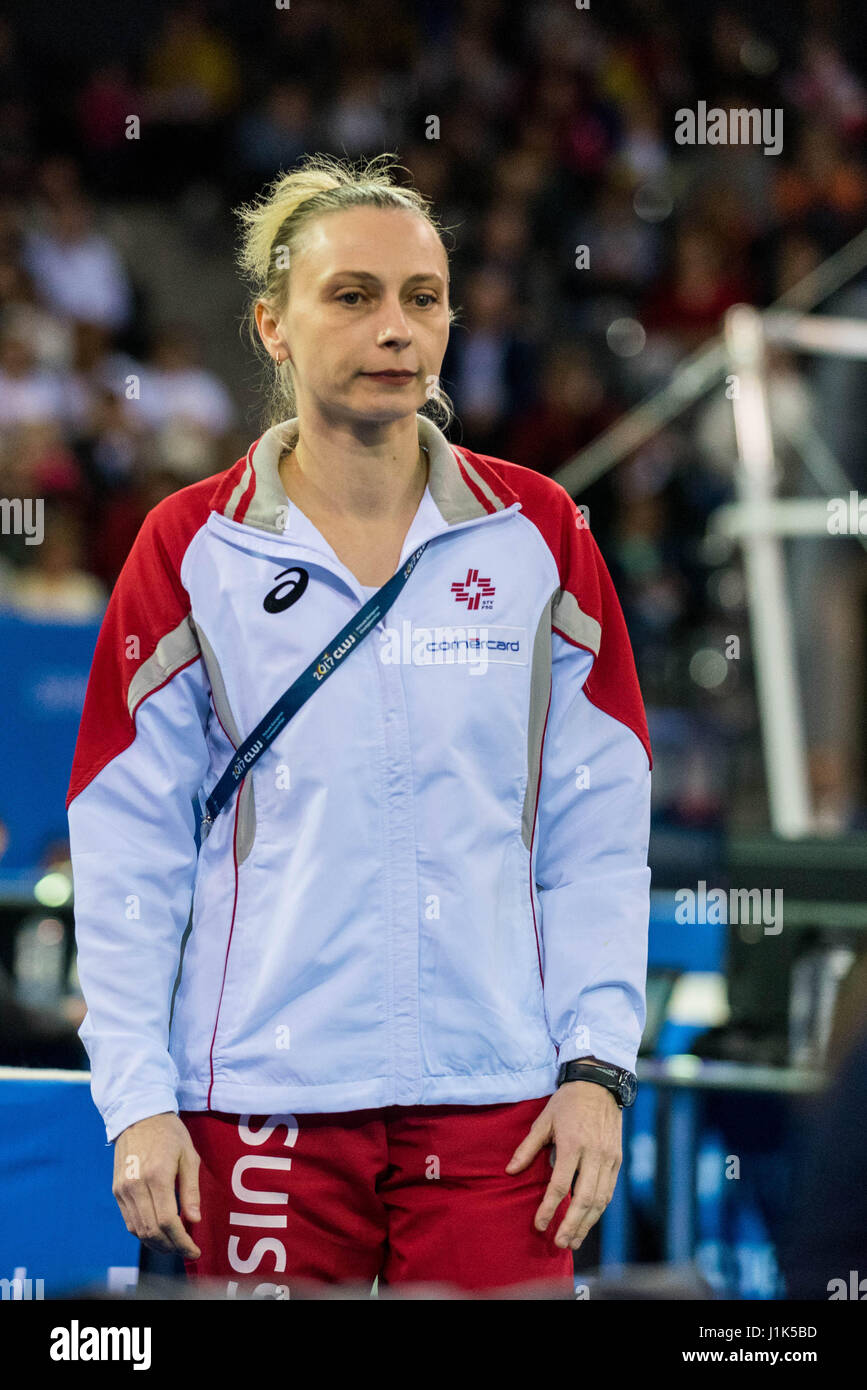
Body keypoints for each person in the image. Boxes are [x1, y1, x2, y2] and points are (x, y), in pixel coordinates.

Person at [66, 153, 652, 1296]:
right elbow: (128, 848)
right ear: (273, 326)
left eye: (422, 298)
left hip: (499, 1107)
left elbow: (597, 827)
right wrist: (138, 1098)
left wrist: (595, 1067)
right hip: (262, 1107)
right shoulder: (191, 548)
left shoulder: (538, 531)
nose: (397, 329)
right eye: (353, 297)